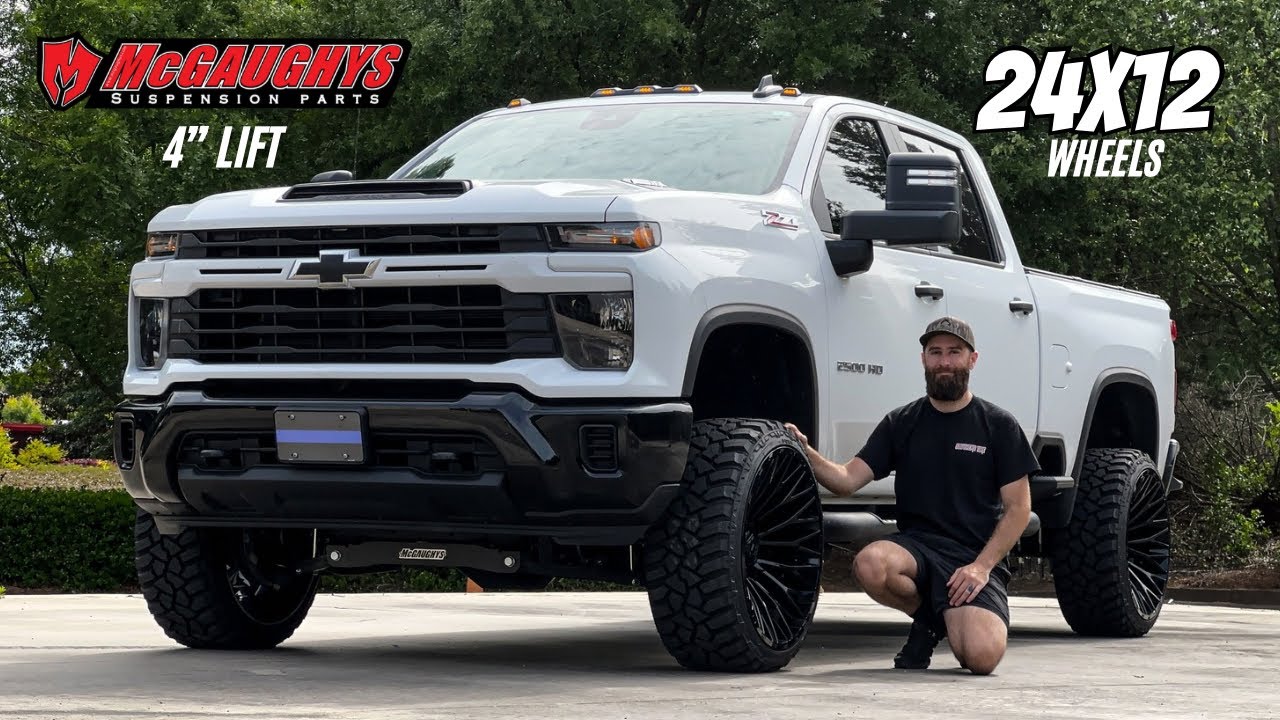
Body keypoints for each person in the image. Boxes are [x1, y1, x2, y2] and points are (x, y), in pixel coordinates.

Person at [785, 316, 1038, 675]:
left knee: (981, 658)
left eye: (954, 352)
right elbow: (846, 480)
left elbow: (1019, 509)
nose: (944, 362)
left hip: (973, 555)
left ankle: (938, 621)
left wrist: (982, 567)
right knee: (871, 564)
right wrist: (809, 454)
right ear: (923, 360)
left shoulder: (998, 425)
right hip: (916, 548)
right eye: (935, 353)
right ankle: (930, 620)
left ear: (973, 359)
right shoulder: (902, 422)